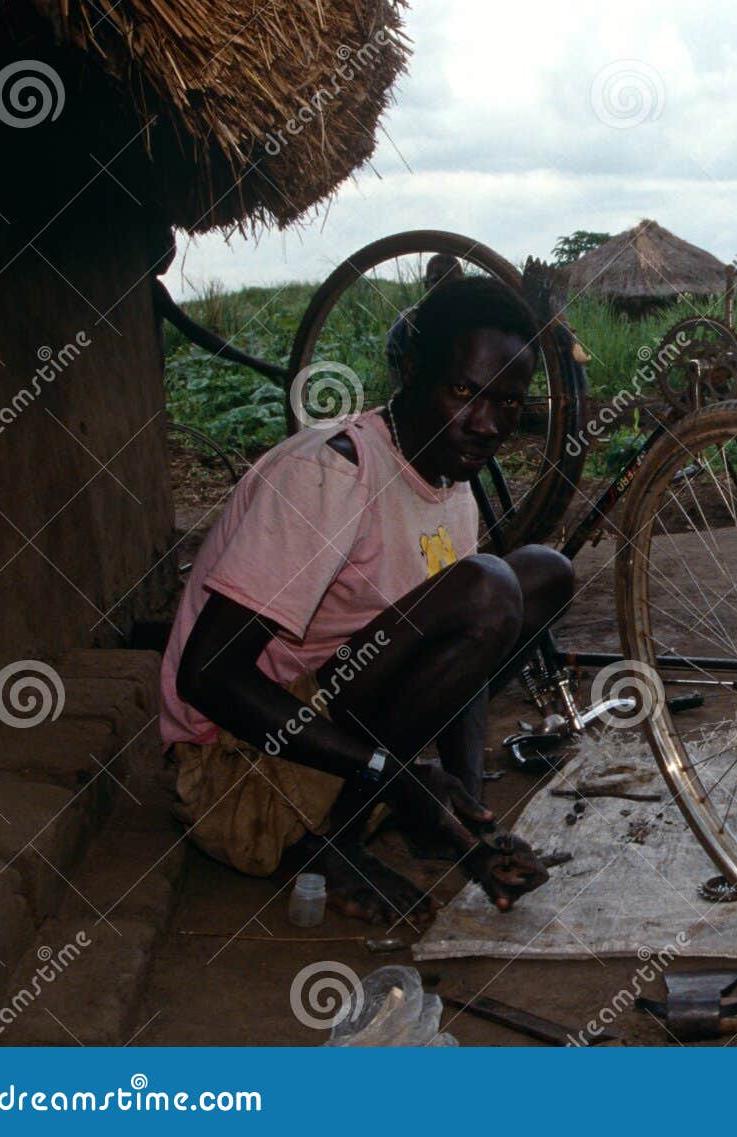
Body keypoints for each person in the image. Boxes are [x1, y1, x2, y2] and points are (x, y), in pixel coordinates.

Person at [160, 274, 573, 923]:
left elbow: (467, 657)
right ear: (410, 370)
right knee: (488, 585)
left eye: (509, 403)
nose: (488, 424)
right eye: (463, 391)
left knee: (541, 574)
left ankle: (399, 808)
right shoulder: (332, 473)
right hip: (235, 770)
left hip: (332, 734)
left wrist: (468, 825)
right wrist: (396, 775)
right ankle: (334, 843)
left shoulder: (451, 484)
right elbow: (207, 672)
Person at [386, 253, 464, 390]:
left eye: (452, 281)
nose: (444, 286)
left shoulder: (472, 319)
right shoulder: (409, 319)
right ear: (426, 285)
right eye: (436, 280)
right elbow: (393, 359)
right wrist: (401, 395)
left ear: (463, 285)